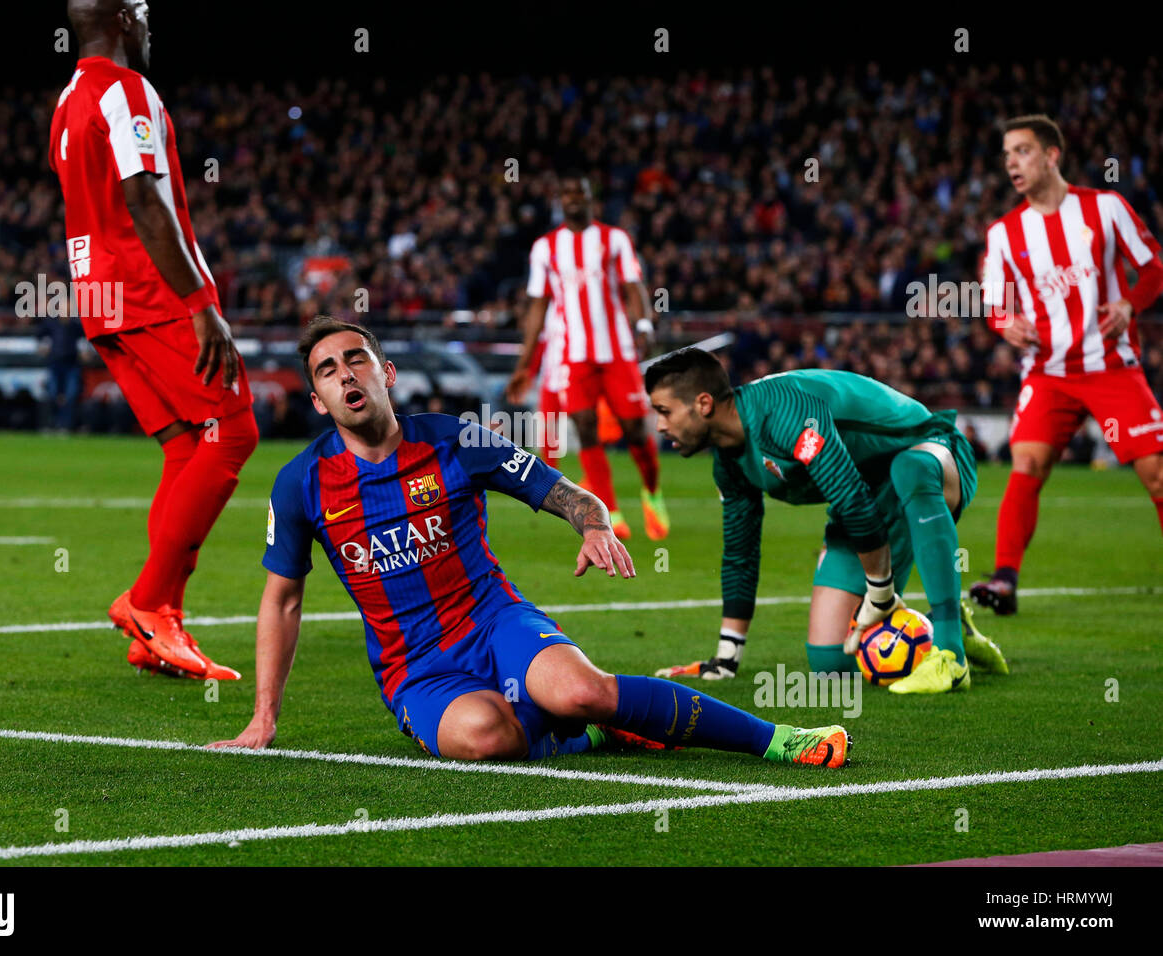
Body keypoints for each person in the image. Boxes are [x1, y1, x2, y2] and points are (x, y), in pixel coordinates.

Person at [210, 317, 849, 767]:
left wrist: (594, 525)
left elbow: (567, 492)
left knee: (585, 693)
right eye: (327, 370)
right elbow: (282, 600)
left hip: (493, 622)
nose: (345, 373)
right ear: (319, 400)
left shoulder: (458, 439)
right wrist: (264, 718)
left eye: (356, 359)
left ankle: (778, 739)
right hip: (415, 668)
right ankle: (590, 739)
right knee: (487, 736)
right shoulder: (303, 485)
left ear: (387, 373)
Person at [50, 0, 258, 679]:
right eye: (143, 9)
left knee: (184, 447)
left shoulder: (68, 100)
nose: (150, 22)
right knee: (233, 431)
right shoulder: (124, 88)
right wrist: (200, 302)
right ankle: (146, 604)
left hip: (100, 296)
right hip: (148, 291)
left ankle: (159, 627)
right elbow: (143, 196)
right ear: (122, 17)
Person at [644, 348, 1009, 693]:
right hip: (869, 492)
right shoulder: (729, 463)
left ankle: (951, 653)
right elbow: (740, 553)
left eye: (664, 411)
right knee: (829, 662)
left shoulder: (782, 411)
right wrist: (726, 657)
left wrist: (880, 593)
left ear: (703, 404)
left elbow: (849, 497)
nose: (659, 425)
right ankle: (936, 626)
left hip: (932, 451)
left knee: (909, 468)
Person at [971, 115, 1163, 615]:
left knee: (1156, 474)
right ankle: (1005, 580)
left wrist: (1129, 305)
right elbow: (994, 303)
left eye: (1022, 151)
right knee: (1027, 463)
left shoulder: (1106, 208)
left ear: (1052, 155)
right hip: (1048, 373)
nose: (1012, 161)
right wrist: (1005, 323)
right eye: (1007, 154)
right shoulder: (1004, 234)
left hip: (1111, 367)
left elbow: (1154, 267)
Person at [506, 172, 668, 541]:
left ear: (590, 197)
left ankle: (652, 491)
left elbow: (633, 287)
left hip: (617, 352)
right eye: (566, 191)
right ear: (560, 199)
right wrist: (524, 365)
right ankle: (609, 510)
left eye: (578, 190)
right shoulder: (545, 247)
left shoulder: (614, 239)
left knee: (635, 430)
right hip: (572, 355)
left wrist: (643, 326)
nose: (572, 197)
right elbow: (537, 307)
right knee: (585, 426)